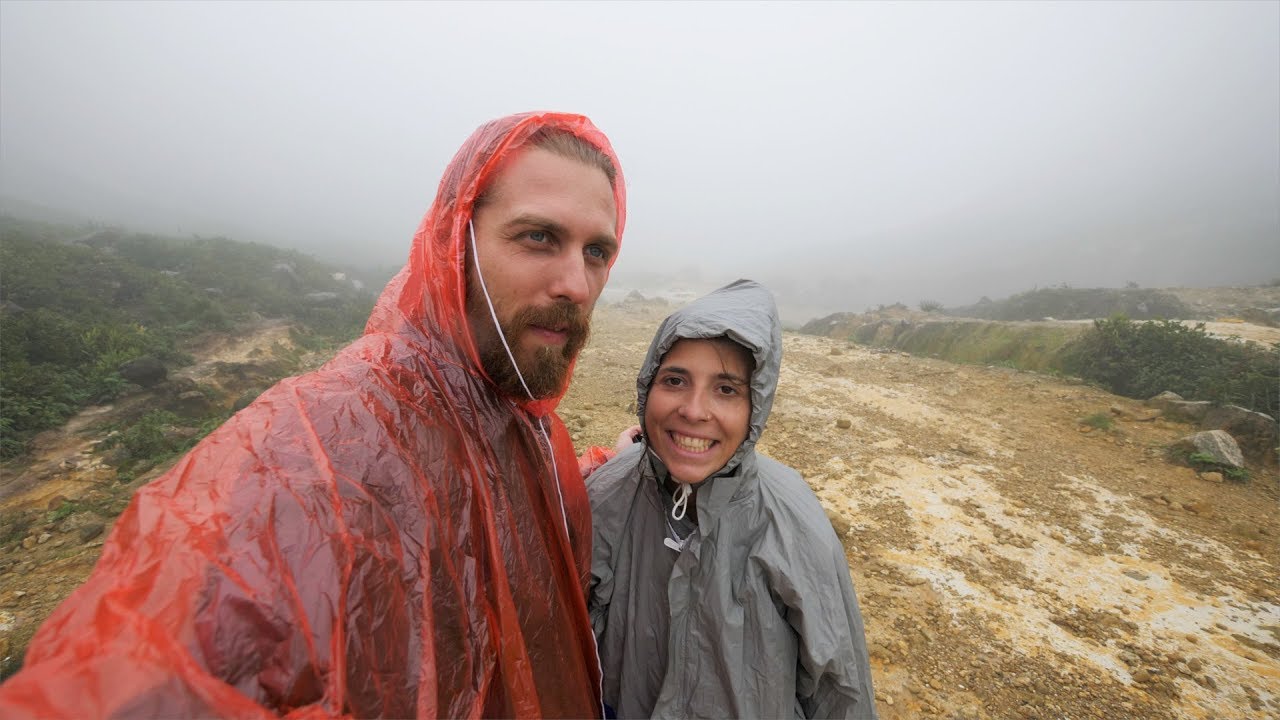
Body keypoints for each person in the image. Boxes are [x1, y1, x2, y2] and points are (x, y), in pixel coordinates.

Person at [0, 112, 626, 718]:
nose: (575, 283)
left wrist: (609, 463)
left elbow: (519, 492)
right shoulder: (325, 440)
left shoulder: (513, 414)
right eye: (538, 237)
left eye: (597, 252)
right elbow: (152, 660)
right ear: (453, 240)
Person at [587, 279, 878, 719]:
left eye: (726, 389)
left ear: (755, 407)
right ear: (649, 386)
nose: (694, 410)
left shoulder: (791, 522)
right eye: (675, 380)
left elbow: (840, 686)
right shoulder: (607, 493)